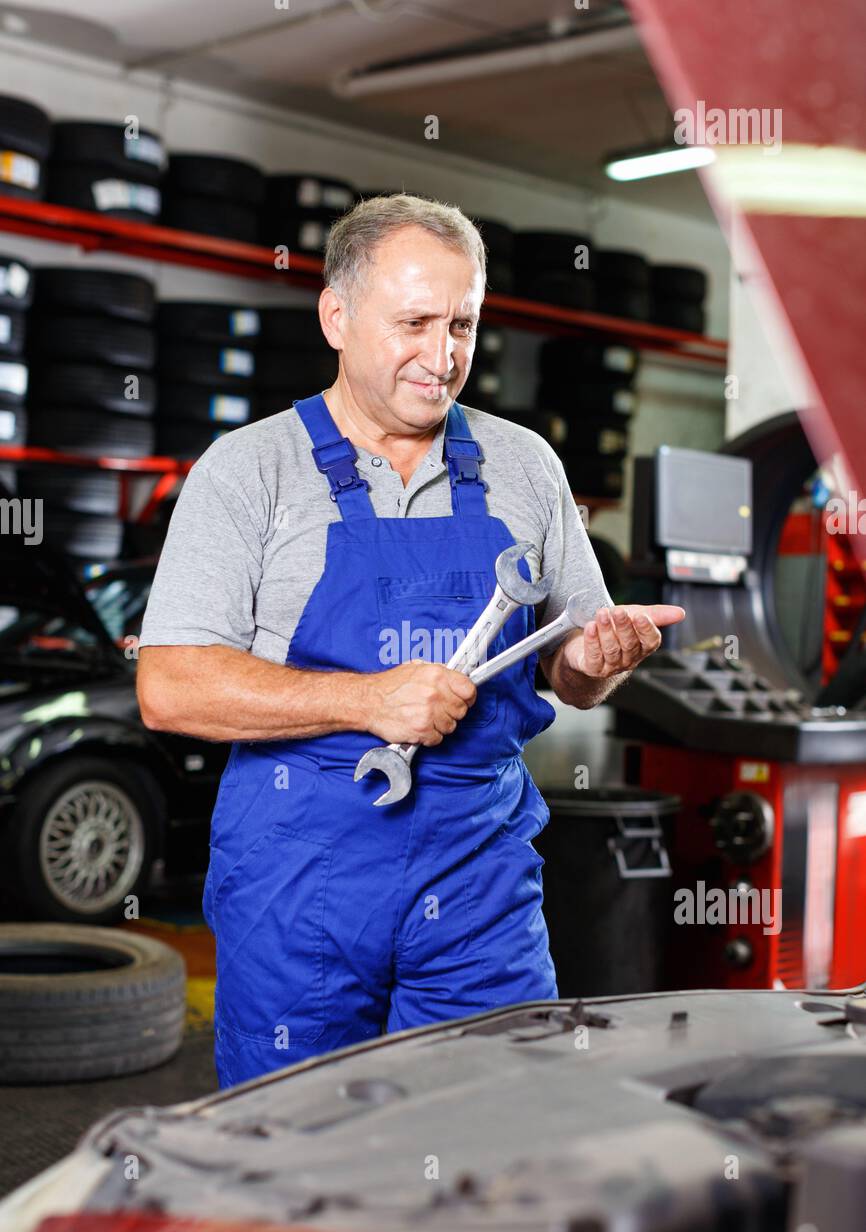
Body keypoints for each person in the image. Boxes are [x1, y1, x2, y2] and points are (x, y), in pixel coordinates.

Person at [137, 194, 685, 1088]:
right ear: (337, 317)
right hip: (299, 888)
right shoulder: (249, 472)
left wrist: (596, 660)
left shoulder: (525, 465)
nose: (444, 358)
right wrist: (367, 699)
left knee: (490, 1134)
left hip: (478, 879)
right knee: (297, 1150)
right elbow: (169, 686)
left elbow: (571, 667)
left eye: (463, 324)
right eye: (416, 323)